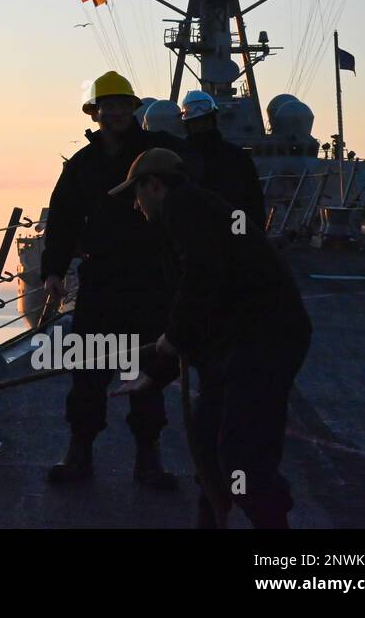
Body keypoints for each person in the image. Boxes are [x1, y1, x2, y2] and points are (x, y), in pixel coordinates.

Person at [110, 148, 312, 528]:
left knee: (242, 455)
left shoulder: (183, 208)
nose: (135, 206)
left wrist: (171, 338)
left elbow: (201, 278)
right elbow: (199, 302)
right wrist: (156, 373)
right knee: (206, 443)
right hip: (239, 341)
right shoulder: (197, 208)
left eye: (135, 195)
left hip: (263, 341)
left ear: (152, 185)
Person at [40, 71, 193, 488]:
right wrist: (53, 269)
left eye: (123, 105)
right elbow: (64, 215)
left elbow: (186, 181)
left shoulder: (159, 152)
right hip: (101, 279)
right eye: (108, 106)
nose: (116, 112)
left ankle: (149, 461)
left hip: (151, 278)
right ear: (96, 112)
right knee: (87, 372)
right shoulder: (83, 165)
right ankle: (79, 455)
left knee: (148, 372)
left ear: (133, 110)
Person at [179, 90, 267, 233]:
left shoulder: (179, 157)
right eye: (197, 122)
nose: (200, 126)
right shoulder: (238, 157)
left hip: (199, 239)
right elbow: (252, 206)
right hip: (229, 234)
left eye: (203, 121)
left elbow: (251, 203)